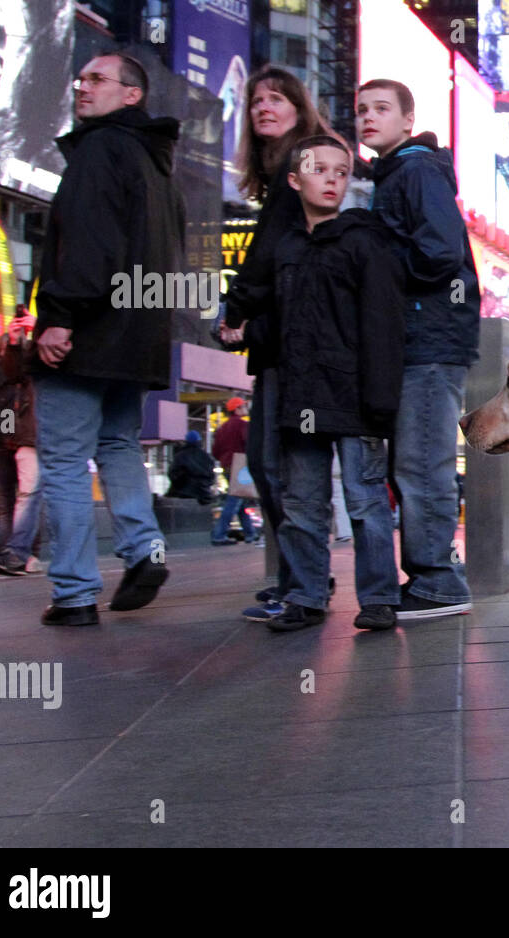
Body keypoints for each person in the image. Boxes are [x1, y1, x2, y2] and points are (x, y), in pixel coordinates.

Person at [30, 52, 183, 627]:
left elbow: (89, 243)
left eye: (97, 79)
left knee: (65, 460)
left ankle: (73, 594)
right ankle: (144, 550)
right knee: (117, 444)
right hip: (136, 338)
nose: (82, 88)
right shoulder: (156, 163)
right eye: (81, 79)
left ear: (131, 95)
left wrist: (61, 316)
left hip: (88, 333)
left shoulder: (99, 149)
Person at [267, 134, 405, 632]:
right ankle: (305, 595)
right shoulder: (286, 246)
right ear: (294, 179)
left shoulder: (364, 241)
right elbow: (278, 319)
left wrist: (382, 400)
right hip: (300, 397)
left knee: (366, 500)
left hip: (354, 396)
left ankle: (379, 599)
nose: (331, 179)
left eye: (341, 172)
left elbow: (384, 326)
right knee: (301, 502)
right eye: (319, 169)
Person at [359, 79, 479, 620]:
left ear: (408, 120)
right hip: (416, 338)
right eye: (361, 110)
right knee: (414, 461)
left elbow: (440, 251)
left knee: (421, 462)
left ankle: (437, 580)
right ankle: (431, 573)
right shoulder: (395, 173)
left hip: (429, 339)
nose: (368, 118)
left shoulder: (416, 170)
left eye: (381, 109)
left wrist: (379, 270)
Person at [219, 65, 334, 621]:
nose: (263, 106)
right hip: (278, 343)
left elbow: (275, 264)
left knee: (283, 468)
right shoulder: (276, 181)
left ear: (298, 108)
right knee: (270, 467)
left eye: (277, 98)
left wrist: (239, 312)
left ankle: (305, 585)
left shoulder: (302, 171)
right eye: (256, 100)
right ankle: (299, 579)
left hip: (294, 345)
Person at [0, 311, 43, 576]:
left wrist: (7, 435)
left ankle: (21, 555)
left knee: (26, 498)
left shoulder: (22, 380)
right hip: (3, 444)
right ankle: (11, 554)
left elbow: (7, 413)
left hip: (21, 440)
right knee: (9, 504)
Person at [210, 396, 257, 545]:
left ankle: (250, 533)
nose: (245, 408)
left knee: (239, 499)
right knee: (234, 501)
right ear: (236, 409)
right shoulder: (243, 425)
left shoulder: (222, 428)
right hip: (240, 465)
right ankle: (219, 535)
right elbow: (249, 444)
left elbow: (215, 451)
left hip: (226, 466)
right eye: (243, 406)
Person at [167, 430, 216, 503]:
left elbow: (172, 474)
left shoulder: (180, 456)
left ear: (186, 442)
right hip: (204, 495)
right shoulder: (207, 457)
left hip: (183, 493)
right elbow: (212, 478)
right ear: (199, 441)